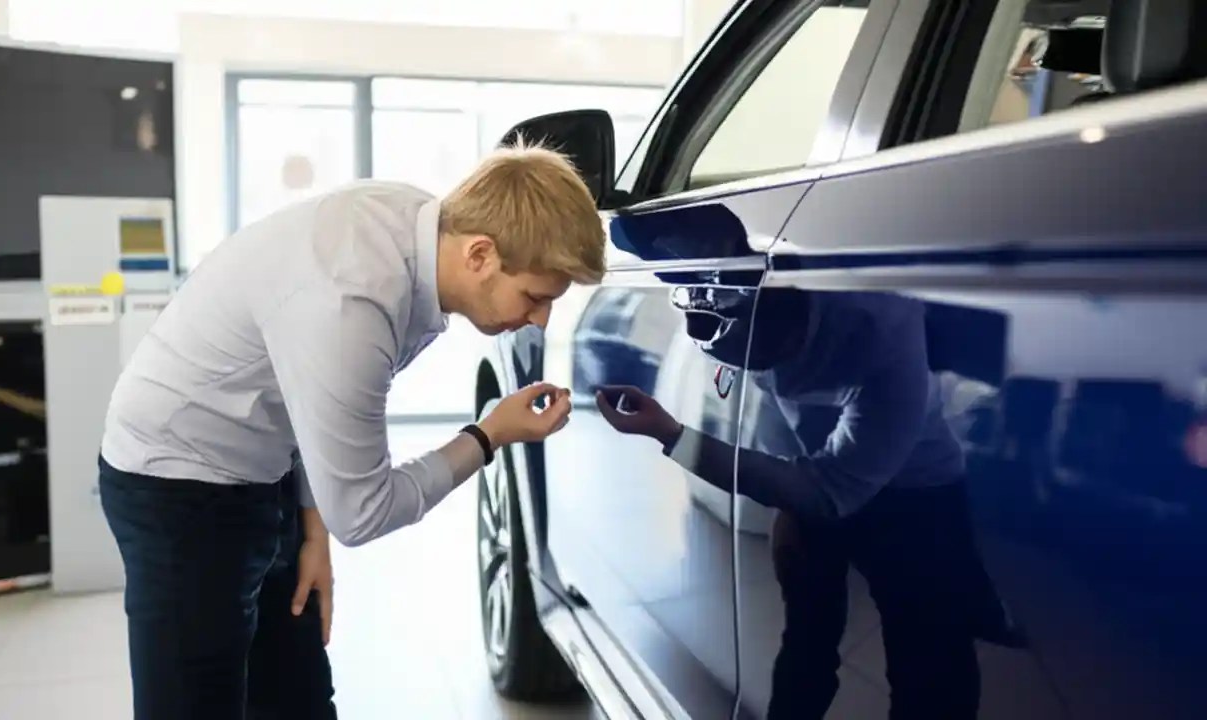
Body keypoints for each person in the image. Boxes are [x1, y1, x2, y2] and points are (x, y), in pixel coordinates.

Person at [97, 142, 605, 719]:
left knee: (298, 702)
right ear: (481, 255)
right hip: (174, 481)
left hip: (268, 467)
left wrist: (310, 532)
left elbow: (311, 408)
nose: (541, 320)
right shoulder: (351, 301)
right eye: (536, 297)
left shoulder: (427, 227)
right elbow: (363, 512)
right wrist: (487, 436)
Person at [596, 289, 1017, 720]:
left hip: (917, 494)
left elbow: (829, 490)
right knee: (806, 641)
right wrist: (790, 506)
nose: (766, 374)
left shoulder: (888, 337)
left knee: (930, 665)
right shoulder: (752, 306)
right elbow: (785, 436)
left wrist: (675, 437)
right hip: (817, 471)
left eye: (772, 356)